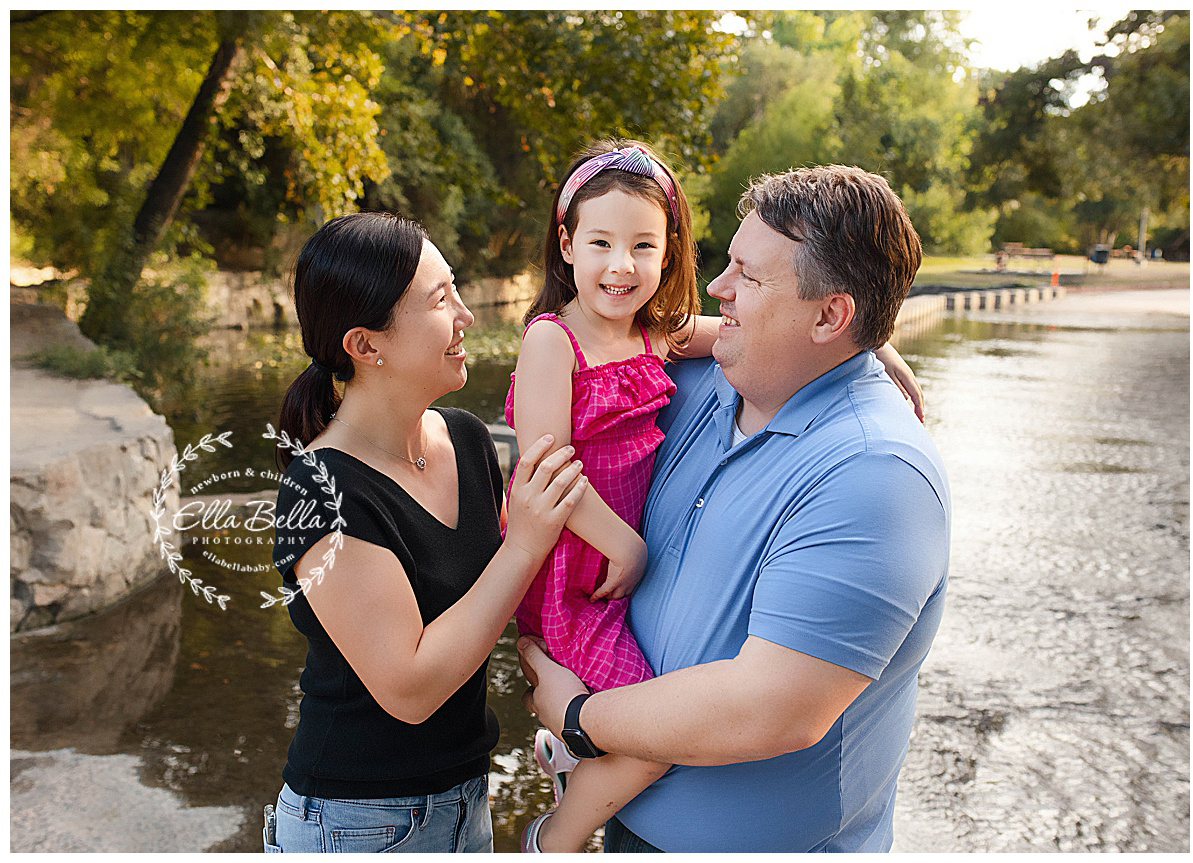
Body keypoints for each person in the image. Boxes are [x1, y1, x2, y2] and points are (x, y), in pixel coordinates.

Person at [507, 144, 930, 852]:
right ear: (567, 243)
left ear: (830, 316)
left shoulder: (874, 471)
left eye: (748, 276)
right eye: (725, 262)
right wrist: (872, 342)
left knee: (622, 745)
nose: (720, 290)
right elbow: (548, 458)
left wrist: (579, 714)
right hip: (589, 613)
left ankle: (553, 833)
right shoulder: (693, 369)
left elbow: (771, 711)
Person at [265, 212, 588, 853]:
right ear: (365, 345)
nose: (466, 315)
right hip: (355, 819)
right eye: (441, 299)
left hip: (467, 793)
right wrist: (523, 544)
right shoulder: (321, 494)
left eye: (456, 288)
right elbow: (409, 689)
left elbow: (493, 606)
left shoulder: (466, 439)